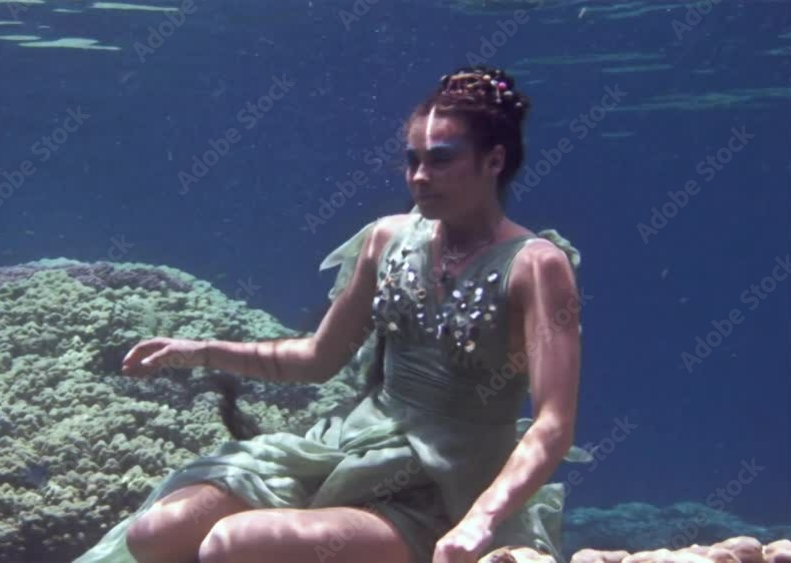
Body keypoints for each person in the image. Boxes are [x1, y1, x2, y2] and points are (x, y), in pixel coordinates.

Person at [74, 65, 589, 563]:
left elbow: (553, 425)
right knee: (154, 535)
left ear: (494, 161)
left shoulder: (536, 266)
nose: (419, 177)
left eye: (440, 159)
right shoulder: (386, 239)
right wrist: (199, 351)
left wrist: (480, 520)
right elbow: (317, 359)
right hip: (348, 449)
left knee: (231, 546)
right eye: (411, 160)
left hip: (446, 486)